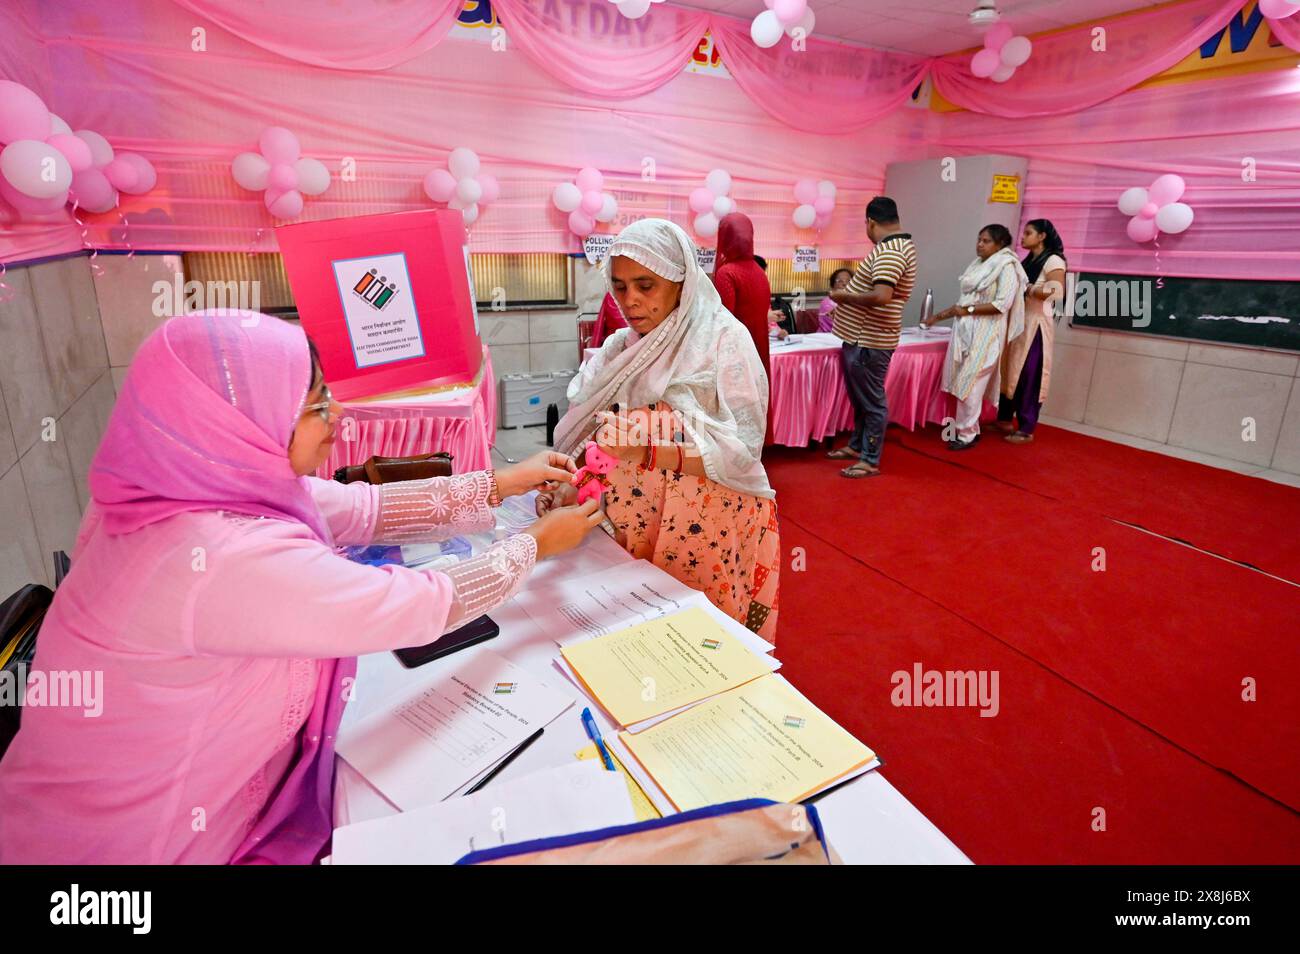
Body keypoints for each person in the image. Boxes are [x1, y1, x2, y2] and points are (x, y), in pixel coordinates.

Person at [0, 311, 604, 864]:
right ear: (233, 420)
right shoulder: (216, 554)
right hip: (135, 843)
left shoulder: (191, 483)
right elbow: (414, 604)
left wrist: (499, 484)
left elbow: (363, 509)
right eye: (315, 403)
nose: (336, 414)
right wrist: (534, 545)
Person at [540, 219, 781, 642]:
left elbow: (742, 449)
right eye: (619, 286)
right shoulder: (622, 346)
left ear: (681, 281)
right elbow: (601, 432)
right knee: (636, 630)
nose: (629, 301)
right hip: (634, 516)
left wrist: (650, 451)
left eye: (645, 285)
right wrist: (573, 482)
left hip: (703, 521)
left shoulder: (724, 341)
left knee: (698, 639)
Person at [826, 196, 918, 478]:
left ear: (871, 222)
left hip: (869, 340)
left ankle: (869, 458)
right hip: (863, 337)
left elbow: (881, 296)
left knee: (872, 402)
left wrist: (844, 296)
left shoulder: (891, 251)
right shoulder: (896, 246)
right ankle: (857, 446)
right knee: (861, 400)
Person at [925, 224, 1029, 451]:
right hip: (965, 333)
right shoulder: (978, 265)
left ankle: (967, 434)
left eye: (986, 241)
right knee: (963, 382)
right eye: (979, 239)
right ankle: (969, 429)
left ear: (1000, 244)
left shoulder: (1007, 266)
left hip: (987, 334)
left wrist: (969, 311)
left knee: (970, 383)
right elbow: (962, 304)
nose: (979, 244)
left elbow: (1002, 304)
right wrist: (938, 317)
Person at [997, 219, 1066, 444]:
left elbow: (1057, 291)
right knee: (1009, 369)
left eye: (1028, 233)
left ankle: (1026, 427)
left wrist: (1028, 289)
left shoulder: (1053, 259)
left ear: (1042, 236)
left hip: (1036, 323)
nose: (1022, 237)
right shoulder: (1029, 259)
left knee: (1029, 374)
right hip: (1018, 321)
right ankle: (1004, 418)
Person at [713, 213, 773, 384]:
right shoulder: (759, 271)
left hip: (736, 351)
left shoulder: (727, 272)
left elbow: (724, 320)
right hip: (759, 344)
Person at [818, 267, 853, 333]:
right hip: (827, 339)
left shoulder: (855, 301)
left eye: (849, 281)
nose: (845, 284)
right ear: (832, 285)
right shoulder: (827, 302)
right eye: (840, 281)